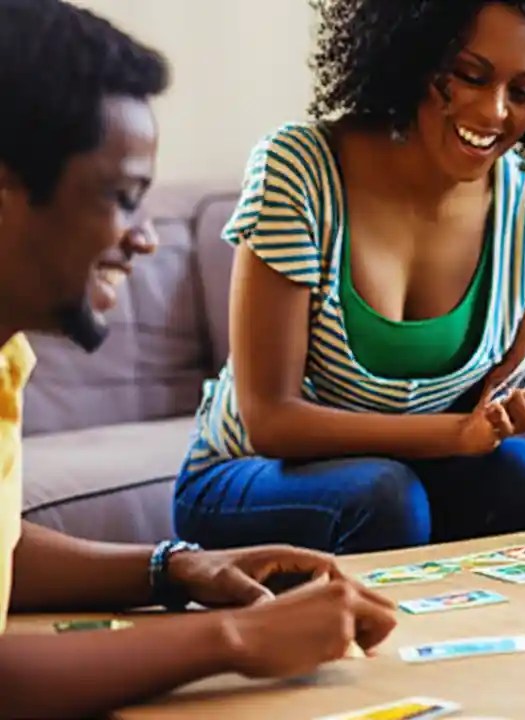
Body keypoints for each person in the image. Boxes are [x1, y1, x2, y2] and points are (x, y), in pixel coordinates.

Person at [0, 1, 397, 717]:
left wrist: (175, 566)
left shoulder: (7, 359)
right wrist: (233, 638)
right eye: (122, 198)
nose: (145, 238)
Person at [173, 0, 525, 554]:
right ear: (417, 58)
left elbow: (496, 395)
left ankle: (516, 639)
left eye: (523, 91)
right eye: (471, 76)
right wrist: (455, 435)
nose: (494, 112)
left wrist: (503, 413)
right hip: (254, 471)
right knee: (385, 497)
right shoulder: (298, 170)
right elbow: (271, 421)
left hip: (415, 474)